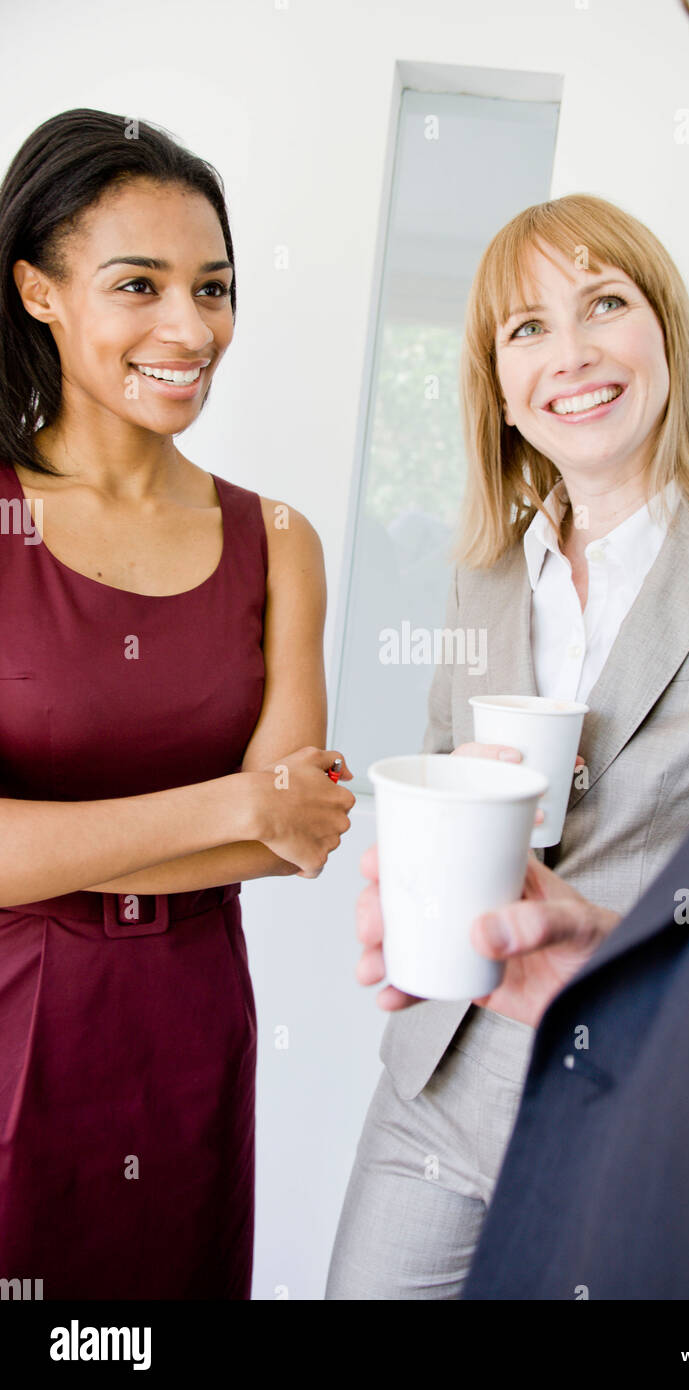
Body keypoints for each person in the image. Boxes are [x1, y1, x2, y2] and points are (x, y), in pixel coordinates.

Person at [356, 0, 689, 1300]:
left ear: (663, 336)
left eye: (602, 305)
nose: (568, 352)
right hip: (436, 1086)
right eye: (525, 329)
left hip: (626, 1097)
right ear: (495, 381)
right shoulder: (479, 574)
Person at [0, 108, 354, 1299]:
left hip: (192, 1030)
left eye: (213, 287)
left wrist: (54, 839)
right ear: (39, 293)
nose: (188, 328)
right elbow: (256, 805)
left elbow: (295, 831)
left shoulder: (280, 539)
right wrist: (228, 800)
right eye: (137, 284)